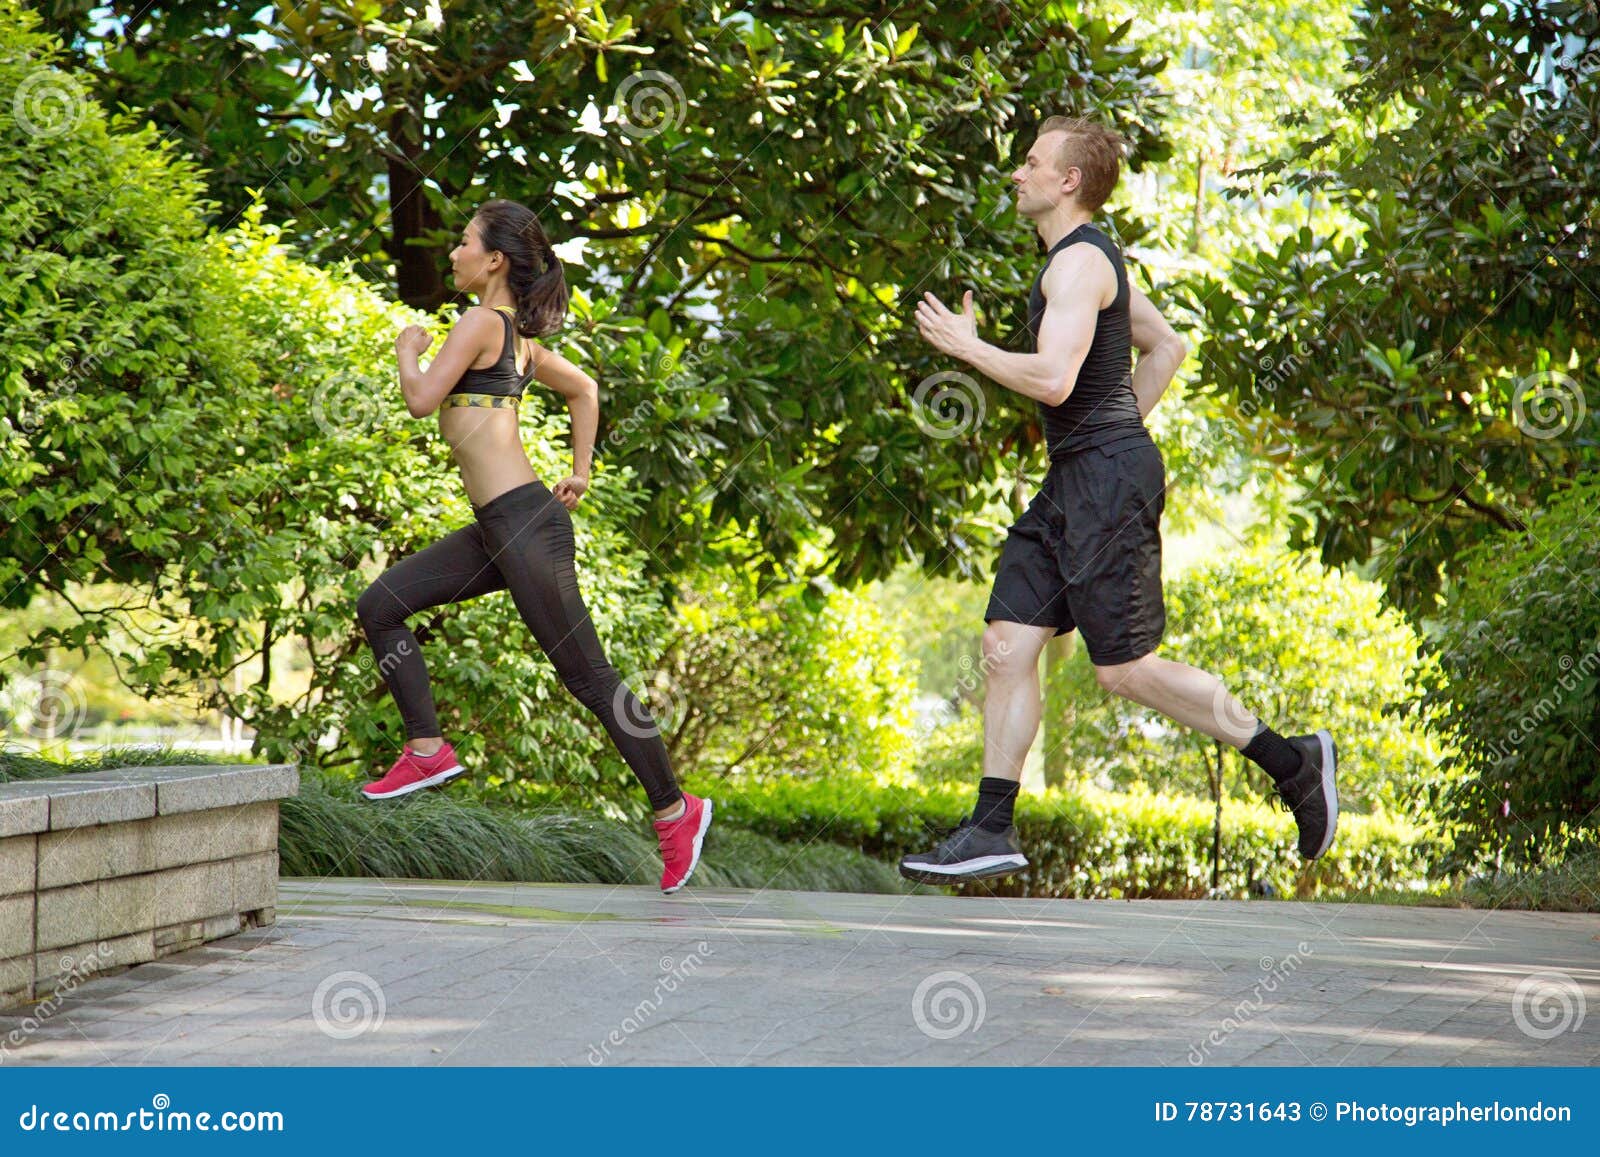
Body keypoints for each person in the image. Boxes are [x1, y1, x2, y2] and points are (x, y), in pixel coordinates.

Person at [900, 117, 1337, 885]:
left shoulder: (1077, 266)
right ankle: (991, 824)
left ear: (1068, 180)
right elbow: (1168, 346)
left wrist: (969, 349)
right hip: (1076, 477)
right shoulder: (1090, 262)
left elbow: (1054, 379)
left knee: (1124, 669)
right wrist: (1113, 429)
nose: (1017, 173)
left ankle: (1292, 761)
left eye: (1031, 162)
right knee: (1006, 642)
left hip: (1104, 481)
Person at [354, 199, 712, 894]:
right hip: (502, 527)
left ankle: (676, 810)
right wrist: (579, 469)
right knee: (382, 605)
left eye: (463, 242)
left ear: (493, 260)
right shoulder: (515, 339)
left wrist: (406, 350)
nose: (453, 253)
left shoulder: (482, 323)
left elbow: (421, 400)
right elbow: (585, 389)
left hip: (523, 524)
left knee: (590, 677)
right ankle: (426, 748)